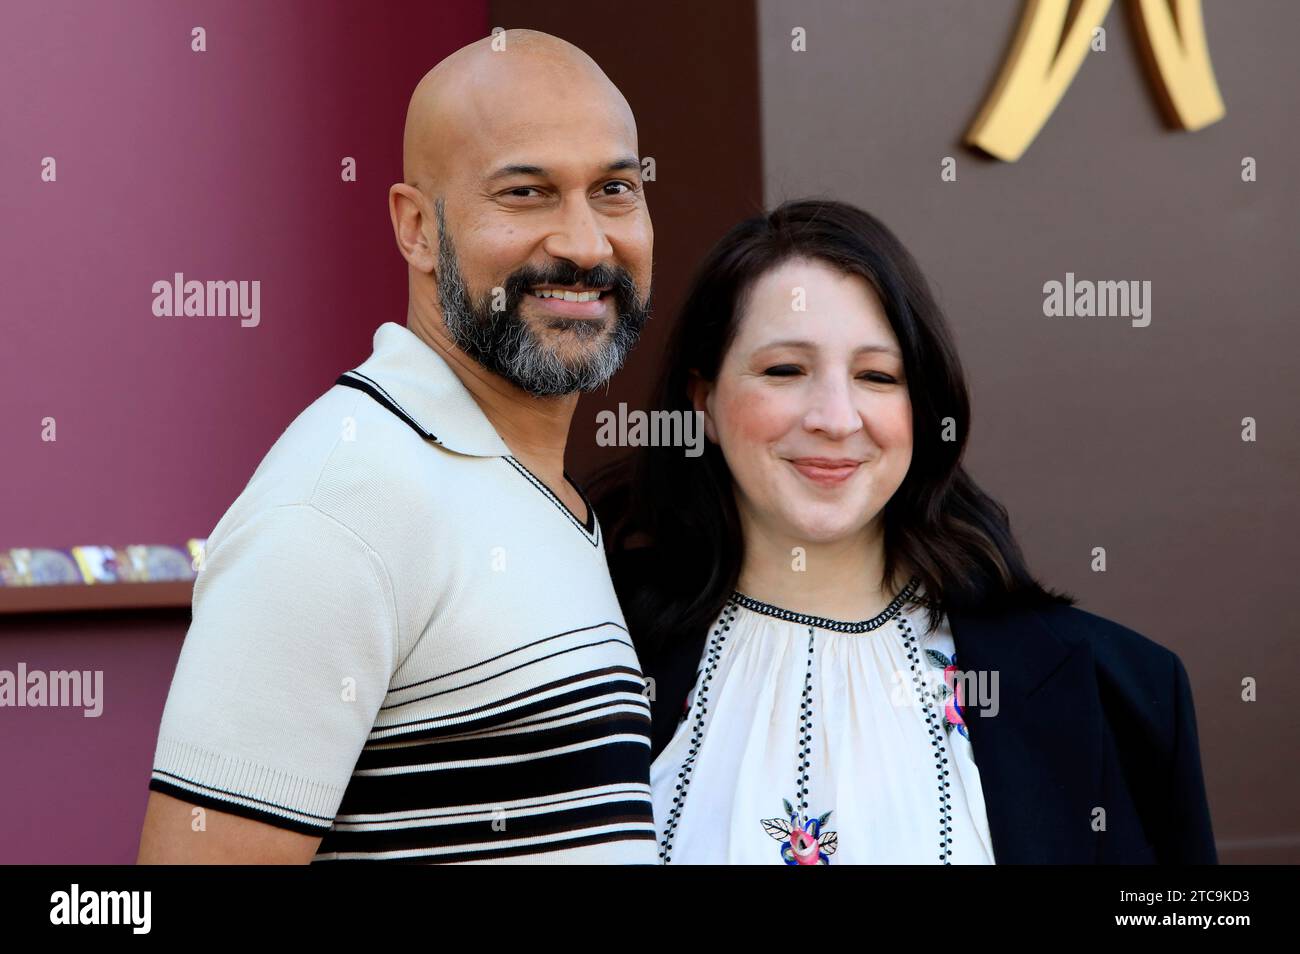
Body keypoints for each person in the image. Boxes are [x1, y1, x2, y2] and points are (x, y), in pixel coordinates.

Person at [137, 29, 657, 864]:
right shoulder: (344, 500)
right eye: (526, 193)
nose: (586, 243)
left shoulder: (531, 490)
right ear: (416, 227)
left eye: (614, 189)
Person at [593, 198, 1217, 864]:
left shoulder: (1116, 689)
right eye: (785, 370)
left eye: (877, 376)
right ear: (703, 403)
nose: (836, 417)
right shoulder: (586, 655)